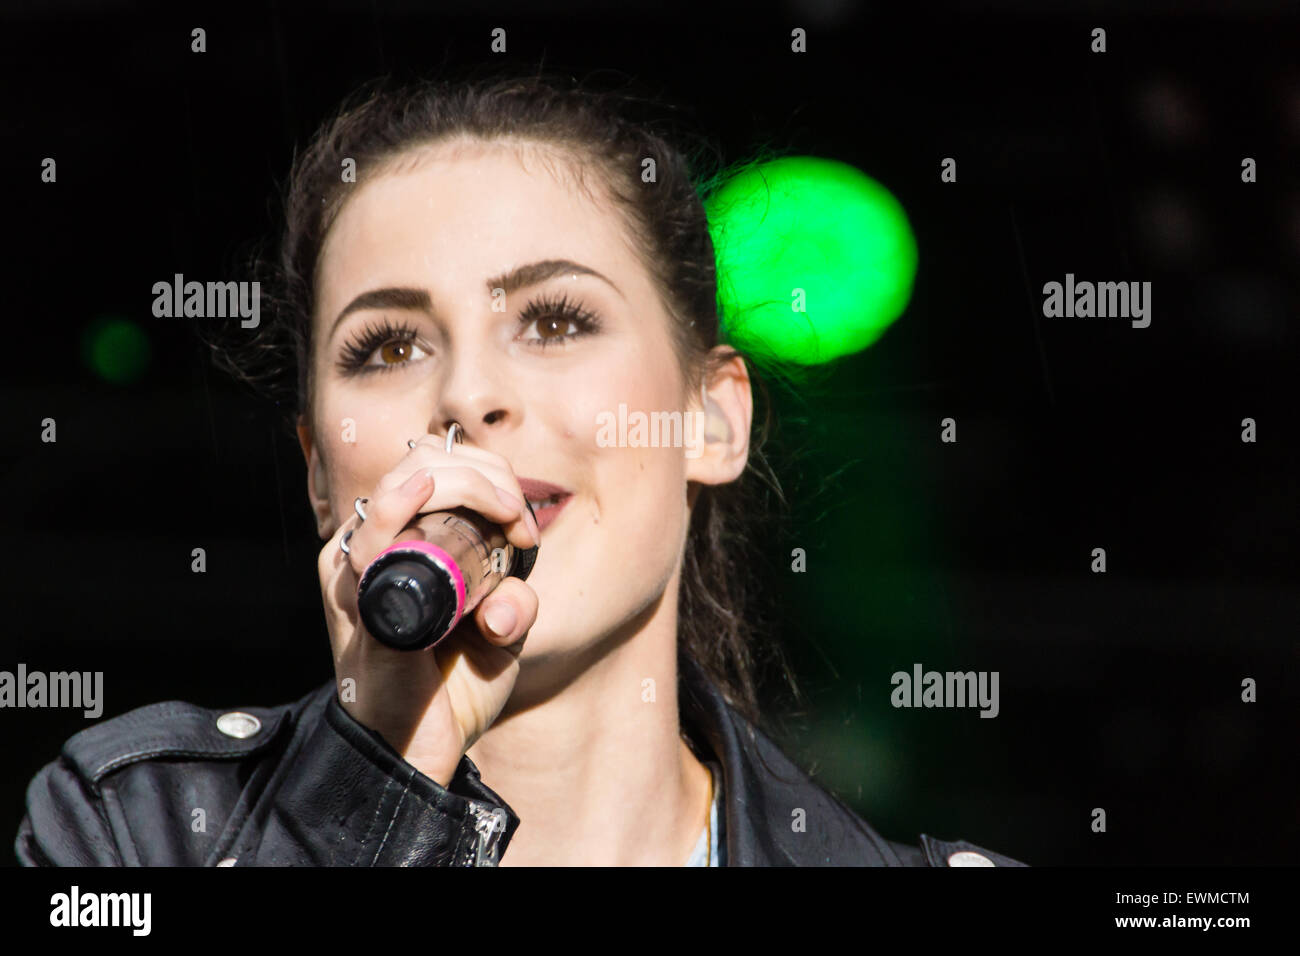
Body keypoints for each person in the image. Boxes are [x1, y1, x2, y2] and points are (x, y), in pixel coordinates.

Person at [15, 71, 1024, 867]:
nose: (466, 394)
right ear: (321, 469)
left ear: (708, 418)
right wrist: (366, 803)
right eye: (387, 346)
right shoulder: (130, 831)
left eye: (554, 320)